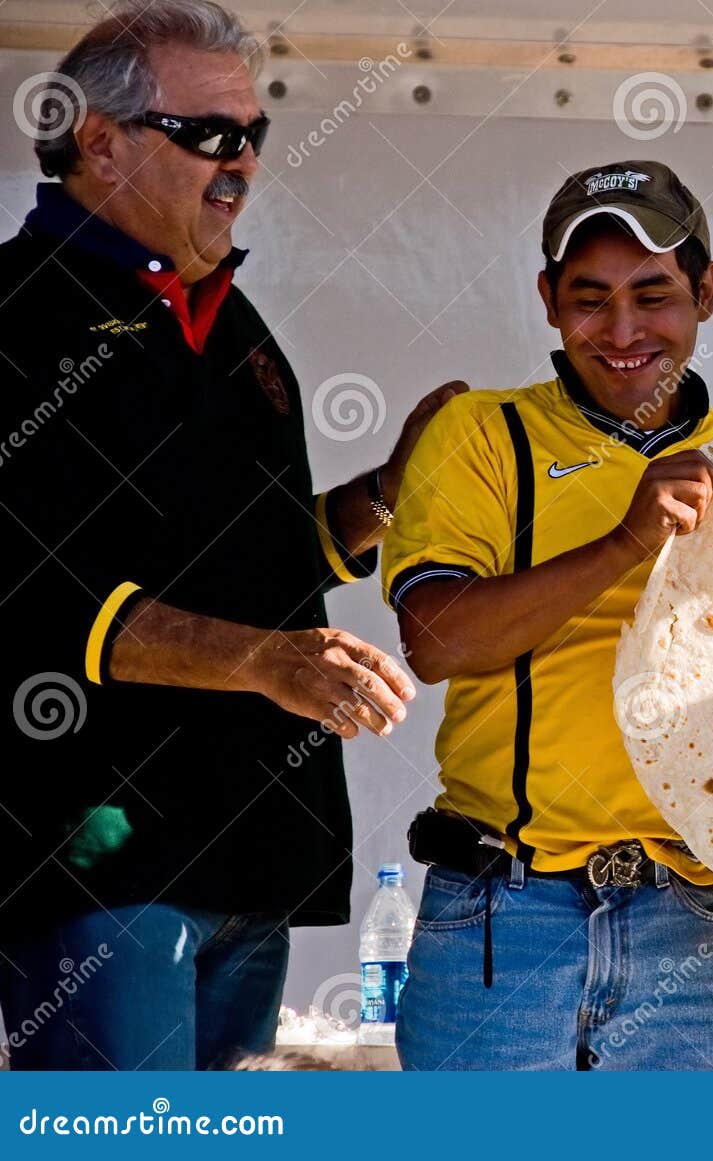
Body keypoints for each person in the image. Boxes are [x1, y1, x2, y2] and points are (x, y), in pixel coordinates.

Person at [0, 0, 459, 1070]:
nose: (240, 160)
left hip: (252, 857)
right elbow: (33, 594)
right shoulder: (20, 316)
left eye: (253, 132)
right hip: (104, 860)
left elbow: (254, 559)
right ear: (98, 140)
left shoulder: (226, 320)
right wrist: (265, 661)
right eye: (206, 133)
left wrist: (389, 491)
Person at [383, 160, 713, 1070]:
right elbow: (437, 641)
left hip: (698, 917)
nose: (622, 331)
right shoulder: (481, 432)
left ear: (707, 292)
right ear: (546, 299)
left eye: (654, 294)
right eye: (588, 298)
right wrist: (623, 542)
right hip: (502, 912)